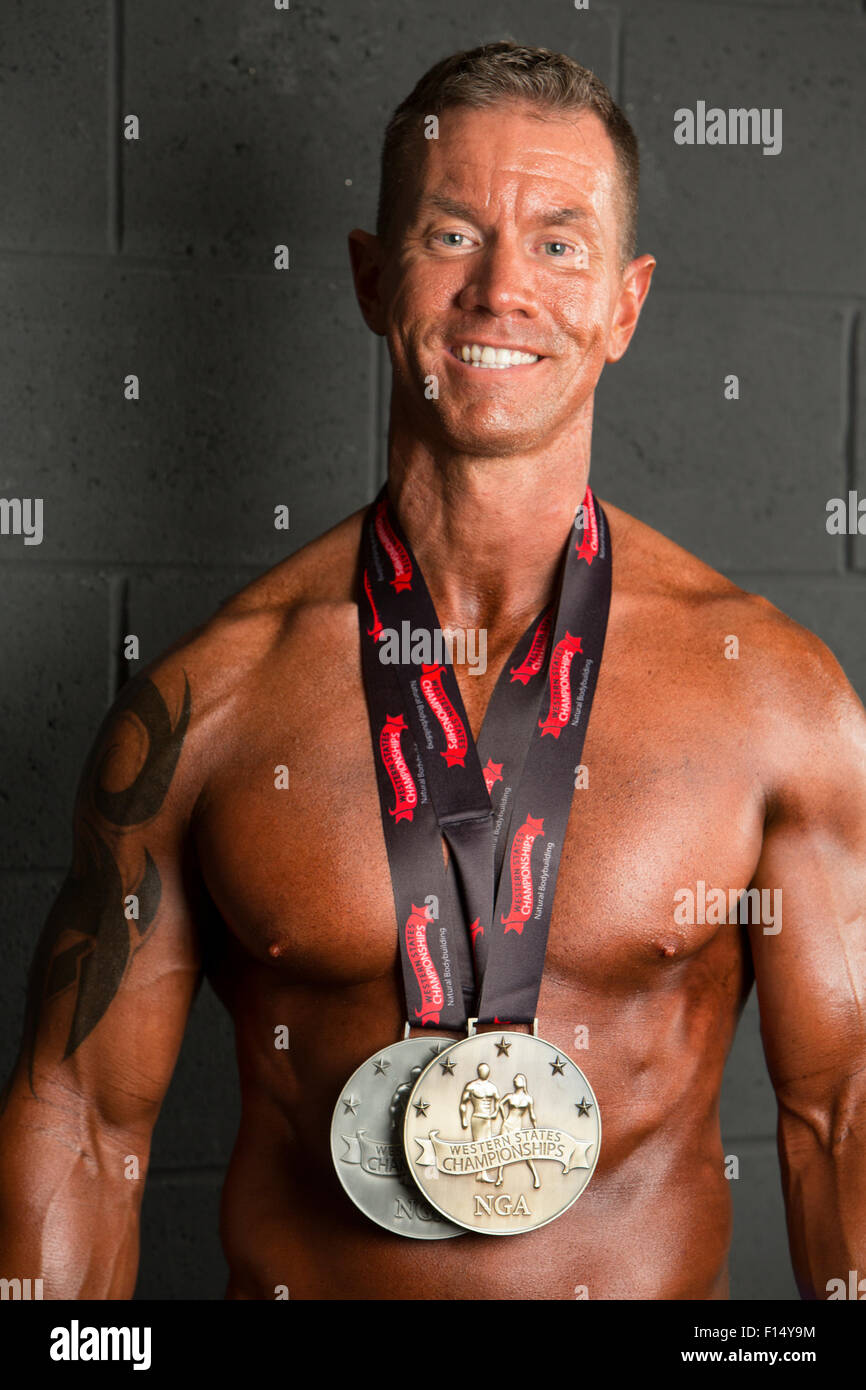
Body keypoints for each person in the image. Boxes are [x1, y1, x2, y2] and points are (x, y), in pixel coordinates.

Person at [1, 40, 865, 1301]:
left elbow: (840, 1114)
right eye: (452, 236)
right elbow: (80, 1124)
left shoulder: (776, 699)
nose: (502, 291)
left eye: (559, 245)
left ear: (624, 305)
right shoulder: (205, 709)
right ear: (369, 277)